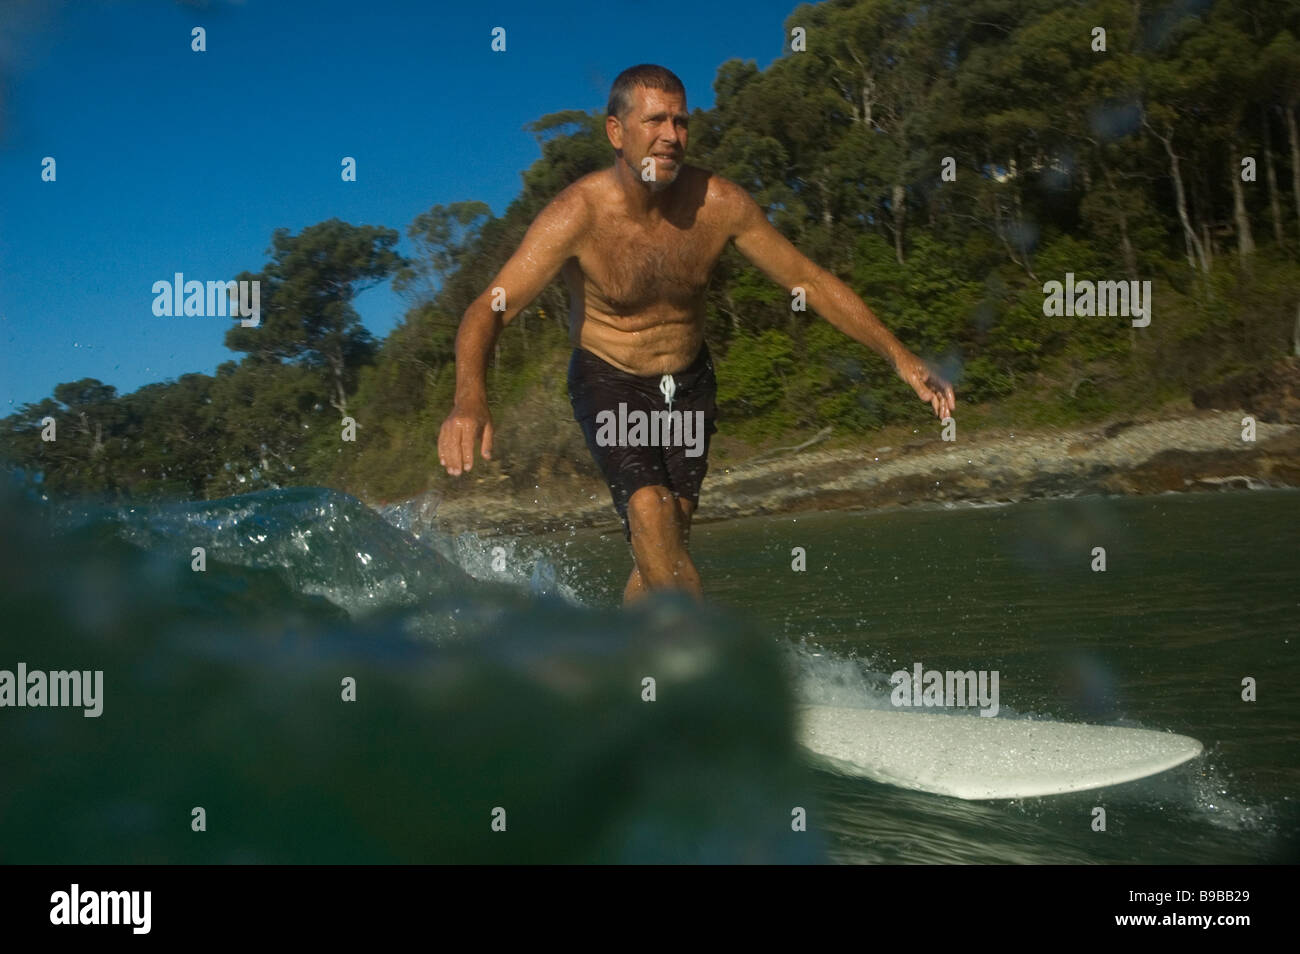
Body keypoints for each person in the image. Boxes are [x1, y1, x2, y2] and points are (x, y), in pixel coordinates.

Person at [438, 64, 955, 604]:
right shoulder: (577, 214)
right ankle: (706, 663)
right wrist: (469, 397)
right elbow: (488, 308)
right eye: (655, 120)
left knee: (665, 537)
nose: (671, 136)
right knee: (648, 508)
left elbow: (807, 279)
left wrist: (901, 357)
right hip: (609, 378)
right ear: (616, 132)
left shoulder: (719, 205)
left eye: (681, 122)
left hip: (689, 384)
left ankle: (631, 657)